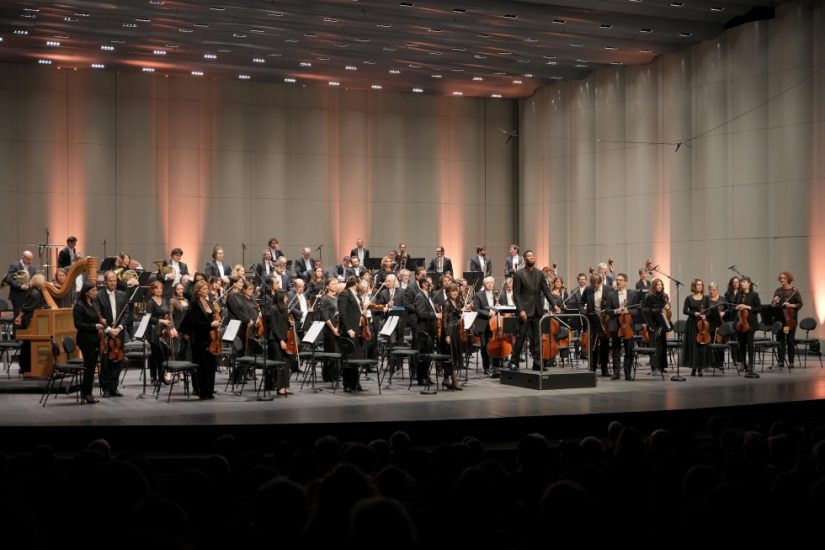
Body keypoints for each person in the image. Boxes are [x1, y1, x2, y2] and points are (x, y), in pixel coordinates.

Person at [507, 250, 554, 371]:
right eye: (529, 256)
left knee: (537, 339)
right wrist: (521, 310)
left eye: (533, 256)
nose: (532, 257)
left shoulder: (540, 273)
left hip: (537, 310)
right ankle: (513, 362)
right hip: (525, 311)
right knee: (521, 337)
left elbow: (546, 291)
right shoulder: (518, 274)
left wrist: (554, 304)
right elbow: (516, 295)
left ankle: (537, 363)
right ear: (525, 259)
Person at [179, 280, 219, 399]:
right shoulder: (195, 304)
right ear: (198, 291)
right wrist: (211, 325)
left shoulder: (208, 302)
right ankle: (202, 391)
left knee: (211, 366)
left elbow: (212, 317)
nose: (207, 290)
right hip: (200, 339)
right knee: (202, 367)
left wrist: (216, 318)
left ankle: (209, 391)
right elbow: (195, 323)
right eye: (204, 289)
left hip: (211, 339)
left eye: (207, 288)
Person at [96, 270, 131, 397]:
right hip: (106, 334)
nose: (113, 283)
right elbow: (98, 314)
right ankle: (105, 388)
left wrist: (120, 327)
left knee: (119, 360)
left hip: (119, 333)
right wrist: (109, 329)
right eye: (110, 280)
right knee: (105, 362)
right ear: (105, 282)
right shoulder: (99, 296)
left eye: (115, 280)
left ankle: (114, 387)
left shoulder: (122, 295)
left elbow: (126, 314)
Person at [72, 282, 103, 404]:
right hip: (85, 340)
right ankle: (87, 393)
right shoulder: (79, 305)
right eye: (94, 290)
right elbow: (78, 324)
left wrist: (101, 320)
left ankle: (87, 392)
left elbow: (94, 317)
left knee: (92, 366)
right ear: (86, 292)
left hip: (95, 339)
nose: (96, 292)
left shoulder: (93, 303)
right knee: (89, 367)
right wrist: (94, 325)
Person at [606, 273, 639, 380]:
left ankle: (627, 373)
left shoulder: (632, 295)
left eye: (620, 280)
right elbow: (607, 310)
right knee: (616, 350)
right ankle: (616, 374)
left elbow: (638, 310)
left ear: (625, 282)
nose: (618, 282)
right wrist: (616, 311)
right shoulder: (611, 295)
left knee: (629, 350)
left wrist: (628, 310)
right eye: (617, 280)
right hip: (616, 324)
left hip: (628, 326)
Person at [14, 273, 47, 374]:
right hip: (30, 320)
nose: (44, 283)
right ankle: (26, 367)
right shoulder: (35, 293)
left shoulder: (34, 291)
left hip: (30, 319)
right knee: (28, 344)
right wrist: (19, 317)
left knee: (27, 344)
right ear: (39, 282)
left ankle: (26, 367)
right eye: (43, 280)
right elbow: (26, 307)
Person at [337, 276, 365, 392]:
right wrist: (348, 329)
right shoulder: (345, 294)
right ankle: (347, 384)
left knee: (356, 357)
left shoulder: (357, 295)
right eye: (360, 283)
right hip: (350, 331)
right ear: (356, 283)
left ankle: (355, 382)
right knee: (349, 358)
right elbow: (343, 313)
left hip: (357, 329)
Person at [145, 280, 176, 385]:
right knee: (155, 355)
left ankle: (162, 377)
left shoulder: (164, 300)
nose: (159, 290)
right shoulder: (150, 302)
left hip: (163, 331)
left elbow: (168, 315)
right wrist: (161, 321)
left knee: (164, 355)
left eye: (161, 288)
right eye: (156, 288)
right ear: (152, 290)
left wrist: (171, 327)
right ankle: (154, 378)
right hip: (153, 331)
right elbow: (149, 318)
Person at [582, 273, 612, 376]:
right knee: (593, 346)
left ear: (600, 283)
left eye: (596, 285)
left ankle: (604, 369)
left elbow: (611, 304)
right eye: (593, 285)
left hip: (604, 321)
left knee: (605, 346)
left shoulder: (609, 289)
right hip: (593, 320)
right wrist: (584, 310)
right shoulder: (588, 289)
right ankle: (592, 369)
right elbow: (581, 303)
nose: (594, 287)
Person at [772, 271, 802, 369]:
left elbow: (800, 304)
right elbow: (773, 305)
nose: (782, 280)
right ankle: (780, 361)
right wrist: (774, 301)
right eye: (781, 278)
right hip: (781, 320)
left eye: (784, 278)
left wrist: (791, 305)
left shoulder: (794, 291)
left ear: (788, 279)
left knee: (790, 341)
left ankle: (791, 362)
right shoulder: (778, 291)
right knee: (780, 340)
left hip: (790, 321)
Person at [682, 278, 711, 377]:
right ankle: (693, 367)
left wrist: (705, 315)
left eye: (701, 285)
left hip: (703, 324)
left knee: (702, 346)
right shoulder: (689, 298)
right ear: (694, 286)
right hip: (692, 324)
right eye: (698, 284)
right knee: (693, 346)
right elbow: (685, 311)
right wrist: (694, 313)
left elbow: (709, 310)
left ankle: (700, 368)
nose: (700, 286)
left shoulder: (706, 298)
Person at [268, 289, 294, 395]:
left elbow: (284, 324)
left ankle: (285, 386)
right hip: (276, 339)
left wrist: (290, 324)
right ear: (281, 297)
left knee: (286, 363)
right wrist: (281, 340)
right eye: (286, 296)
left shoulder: (285, 308)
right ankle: (279, 387)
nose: (287, 298)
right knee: (279, 363)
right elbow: (274, 327)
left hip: (285, 338)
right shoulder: (273, 309)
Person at [642, 278, 671, 374]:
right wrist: (658, 310)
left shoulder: (664, 296)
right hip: (653, 324)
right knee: (654, 345)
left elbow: (667, 310)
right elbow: (645, 310)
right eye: (658, 284)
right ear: (654, 285)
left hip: (662, 323)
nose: (660, 286)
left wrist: (668, 307)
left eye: (661, 285)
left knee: (662, 346)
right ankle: (654, 367)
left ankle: (662, 367)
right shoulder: (649, 296)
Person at [472, 276, 498, 375]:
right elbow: (476, 309)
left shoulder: (496, 294)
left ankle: (495, 366)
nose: (490, 284)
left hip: (495, 323)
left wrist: (498, 307)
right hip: (483, 323)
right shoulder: (479, 295)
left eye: (491, 282)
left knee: (495, 344)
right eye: (487, 283)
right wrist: (488, 313)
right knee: (484, 346)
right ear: (484, 284)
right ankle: (486, 367)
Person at [441, 284, 465, 390]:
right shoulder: (446, 303)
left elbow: (457, 314)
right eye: (452, 291)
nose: (455, 293)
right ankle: (455, 380)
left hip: (456, 330)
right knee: (451, 355)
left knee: (453, 354)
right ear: (448, 292)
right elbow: (444, 320)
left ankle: (446, 379)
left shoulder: (457, 302)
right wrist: (447, 335)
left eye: (456, 291)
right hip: (449, 330)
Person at [735, 277, 760, 375]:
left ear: (749, 283)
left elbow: (758, 308)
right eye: (741, 282)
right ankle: (743, 363)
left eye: (744, 282)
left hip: (750, 323)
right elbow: (734, 306)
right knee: (741, 344)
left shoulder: (754, 295)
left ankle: (750, 364)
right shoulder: (739, 295)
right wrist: (737, 307)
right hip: (740, 322)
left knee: (749, 344)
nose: (742, 284)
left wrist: (747, 307)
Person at [5, 250, 37, 320]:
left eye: (31, 259)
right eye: (28, 259)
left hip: (29, 297)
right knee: (17, 318)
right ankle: (16, 331)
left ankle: (25, 331)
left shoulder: (32, 268)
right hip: (17, 296)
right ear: (23, 258)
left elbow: (35, 279)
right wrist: (21, 286)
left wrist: (31, 283)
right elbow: (9, 279)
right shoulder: (15, 266)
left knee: (27, 319)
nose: (30, 261)